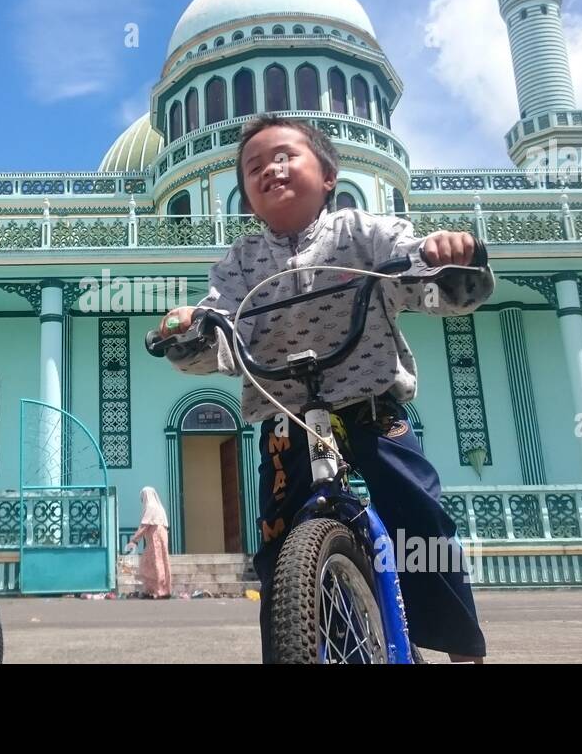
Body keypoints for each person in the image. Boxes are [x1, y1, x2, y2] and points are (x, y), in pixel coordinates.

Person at [158, 115, 492, 663]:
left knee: (421, 519)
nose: (271, 169)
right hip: (286, 422)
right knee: (277, 543)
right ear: (244, 192)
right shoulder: (240, 263)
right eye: (254, 166)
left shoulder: (362, 233)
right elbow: (221, 330)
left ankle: (460, 648)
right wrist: (191, 333)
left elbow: (420, 276)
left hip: (371, 409)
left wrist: (446, 257)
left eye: (286, 155)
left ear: (329, 174)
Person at [124, 487, 172, 599]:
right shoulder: (160, 508)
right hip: (161, 536)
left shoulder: (150, 507)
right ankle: (159, 589)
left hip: (155, 537)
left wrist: (134, 539)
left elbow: (144, 526)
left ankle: (159, 591)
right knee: (158, 561)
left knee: (155, 562)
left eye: (142, 497)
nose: (142, 500)